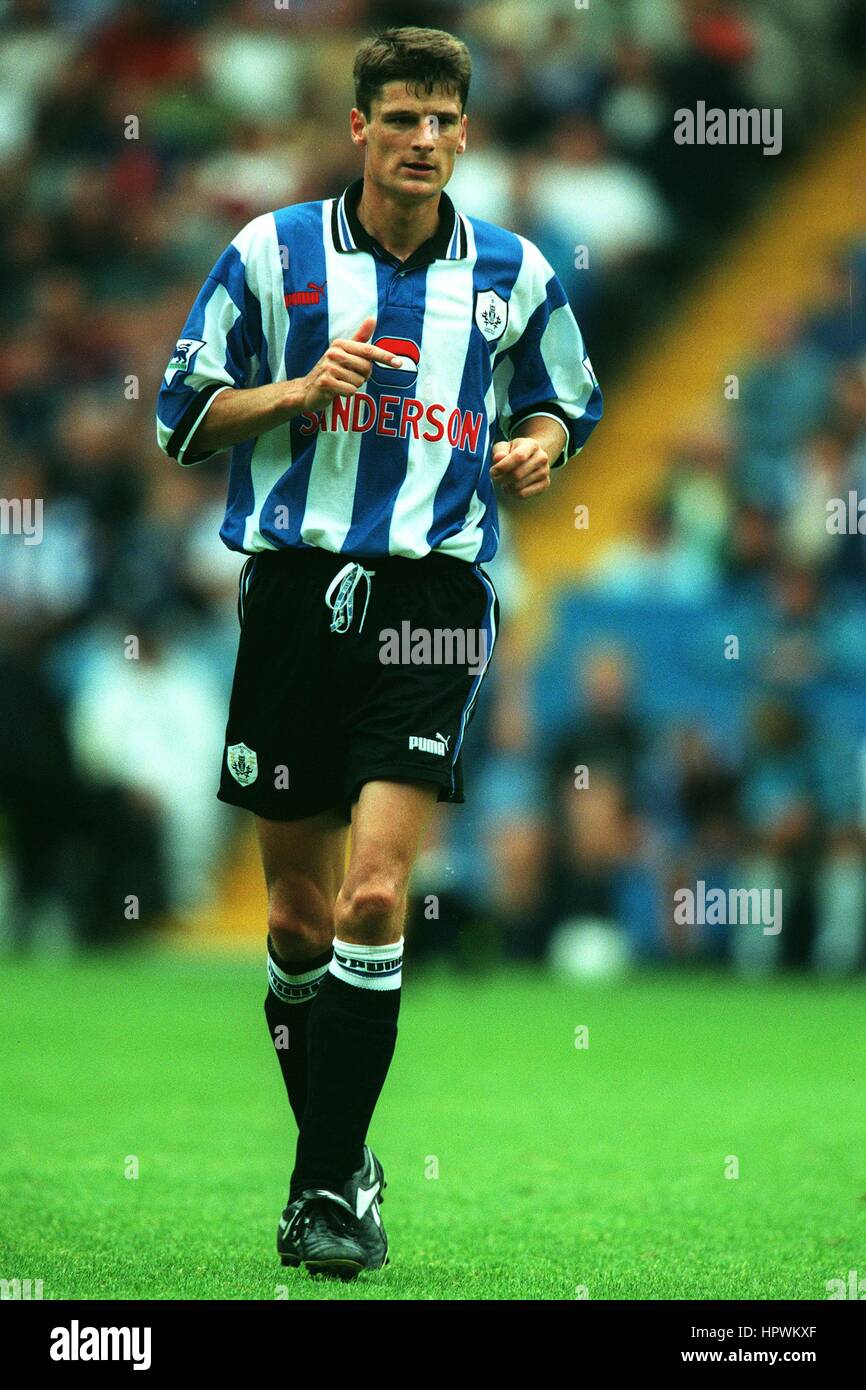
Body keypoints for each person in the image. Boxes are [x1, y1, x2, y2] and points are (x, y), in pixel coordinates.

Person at [156, 25, 602, 1280]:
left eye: (443, 121)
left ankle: (319, 1196)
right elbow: (180, 412)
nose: (423, 140)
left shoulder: (511, 271)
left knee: (366, 896)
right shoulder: (269, 253)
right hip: (293, 596)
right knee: (296, 923)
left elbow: (563, 393)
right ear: (358, 125)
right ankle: (343, 1165)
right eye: (400, 117)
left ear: (465, 132)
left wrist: (541, 444)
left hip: (432, 596)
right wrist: (294, 393)